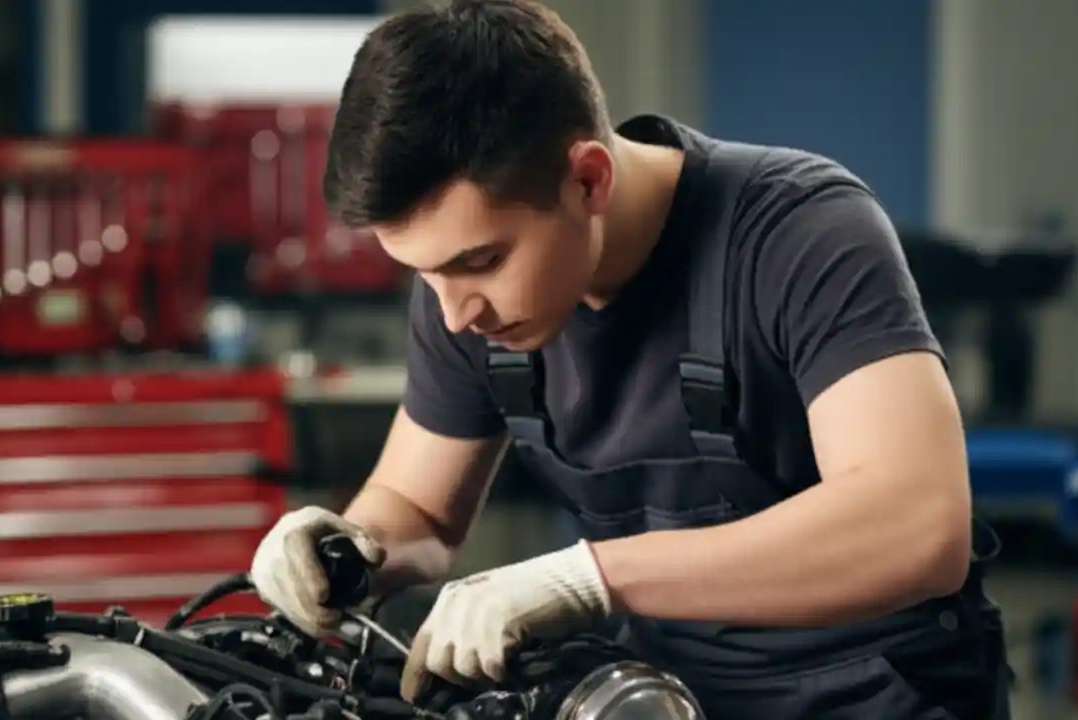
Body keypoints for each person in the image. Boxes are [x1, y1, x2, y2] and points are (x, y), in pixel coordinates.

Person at [249, 1, 1012, 717]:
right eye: (426, 274)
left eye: (480, 261)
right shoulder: (464, 293)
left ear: (589, 179)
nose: (454, 314)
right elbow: (417, 510)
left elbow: (917, 527)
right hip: (667, 695)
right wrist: (345, 548)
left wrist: (593, 575)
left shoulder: (801, 233)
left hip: (878, 694)